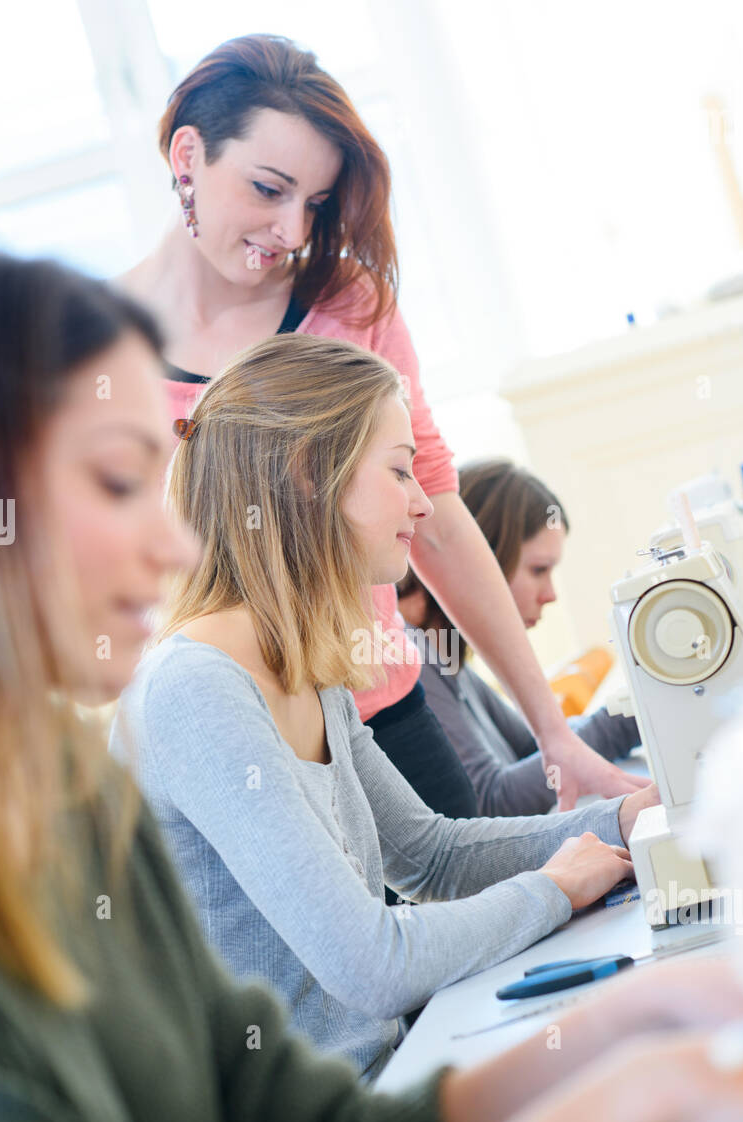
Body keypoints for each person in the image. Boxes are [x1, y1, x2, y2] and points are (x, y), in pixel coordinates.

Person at [0, 251, 743, 1122]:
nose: (172, 536)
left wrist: (629, 1033)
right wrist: (624, 1094)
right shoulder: (185, 696)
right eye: (116, 480)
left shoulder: (82, 809)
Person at [115, 32, 649, 817]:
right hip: (252, 746)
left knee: (499, 911)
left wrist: (553, 734)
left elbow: (434, 510)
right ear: (188, 155)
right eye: (268, 189)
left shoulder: (347, 306)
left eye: (316, 204)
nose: (293, 231)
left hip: (386, 709)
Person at [110, 334, 655, 1080]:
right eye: (398, 470)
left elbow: (429, 855)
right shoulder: (195, 689)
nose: (422, 500)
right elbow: (371, 964)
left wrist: (619, 822)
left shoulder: (307, 667)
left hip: (380, 1077)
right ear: (310, 474)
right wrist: (554, 889)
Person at [397, 459, 642, 816]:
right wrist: (632, 714)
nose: (551, 594)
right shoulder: (409, 655)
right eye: (538, 570)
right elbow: (491, 800)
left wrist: (628, 711)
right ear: (485, 559)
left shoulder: (445, 651)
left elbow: (532, 746)